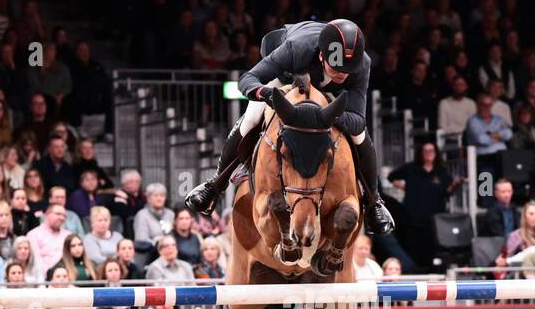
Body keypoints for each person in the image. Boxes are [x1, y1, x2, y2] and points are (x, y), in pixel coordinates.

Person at [183, 19, 396, 235]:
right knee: (251, 119)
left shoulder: (360, 64)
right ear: (322, 55)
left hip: (328, 98)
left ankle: (374, 203)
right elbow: (248, 79)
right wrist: (265, 94)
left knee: (360, 135)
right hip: (285, 77)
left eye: (348, 69)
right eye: (337, 67)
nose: (343, 74)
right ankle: (214, 185)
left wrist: (325, 115)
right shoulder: (297, 49)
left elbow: (358, 119)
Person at [388, 140, 458, 270]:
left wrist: (454, 185)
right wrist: (404, 187)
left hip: (433, 220)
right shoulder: (411, 168)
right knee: (412, 248)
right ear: (420, 153)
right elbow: (391, 177)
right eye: (425, 151)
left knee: (430, 251)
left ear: (436, 153)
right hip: (412, 217)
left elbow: (445, 193)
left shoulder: (441, 172)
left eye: (431, 151)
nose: (428, 154)